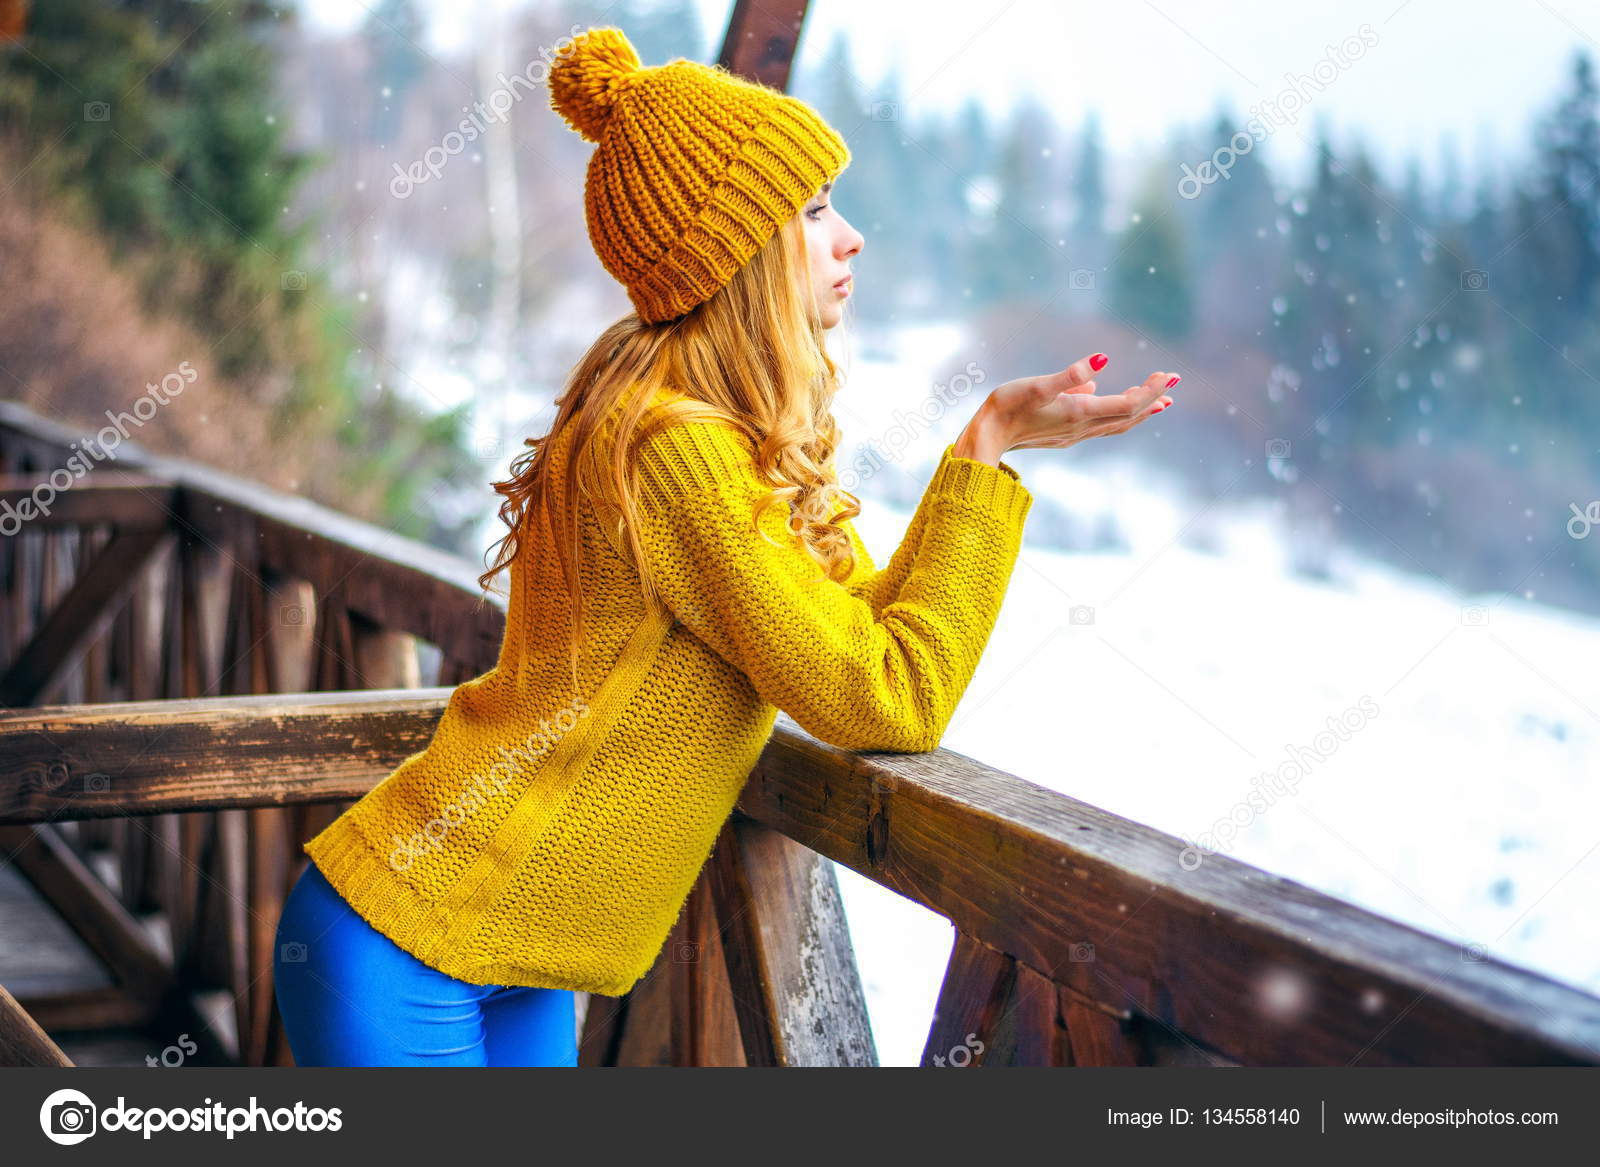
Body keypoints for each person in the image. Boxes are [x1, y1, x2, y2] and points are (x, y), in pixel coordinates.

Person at [272, 24, 1179, 1068]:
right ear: (734, 250)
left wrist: (987, 448)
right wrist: (982, 455)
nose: (851, 238)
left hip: (506, 951)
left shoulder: (701, 425)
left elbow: (856, 628)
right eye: (814, 210)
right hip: (412, 944)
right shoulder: (679, 450)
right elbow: (890, 695)